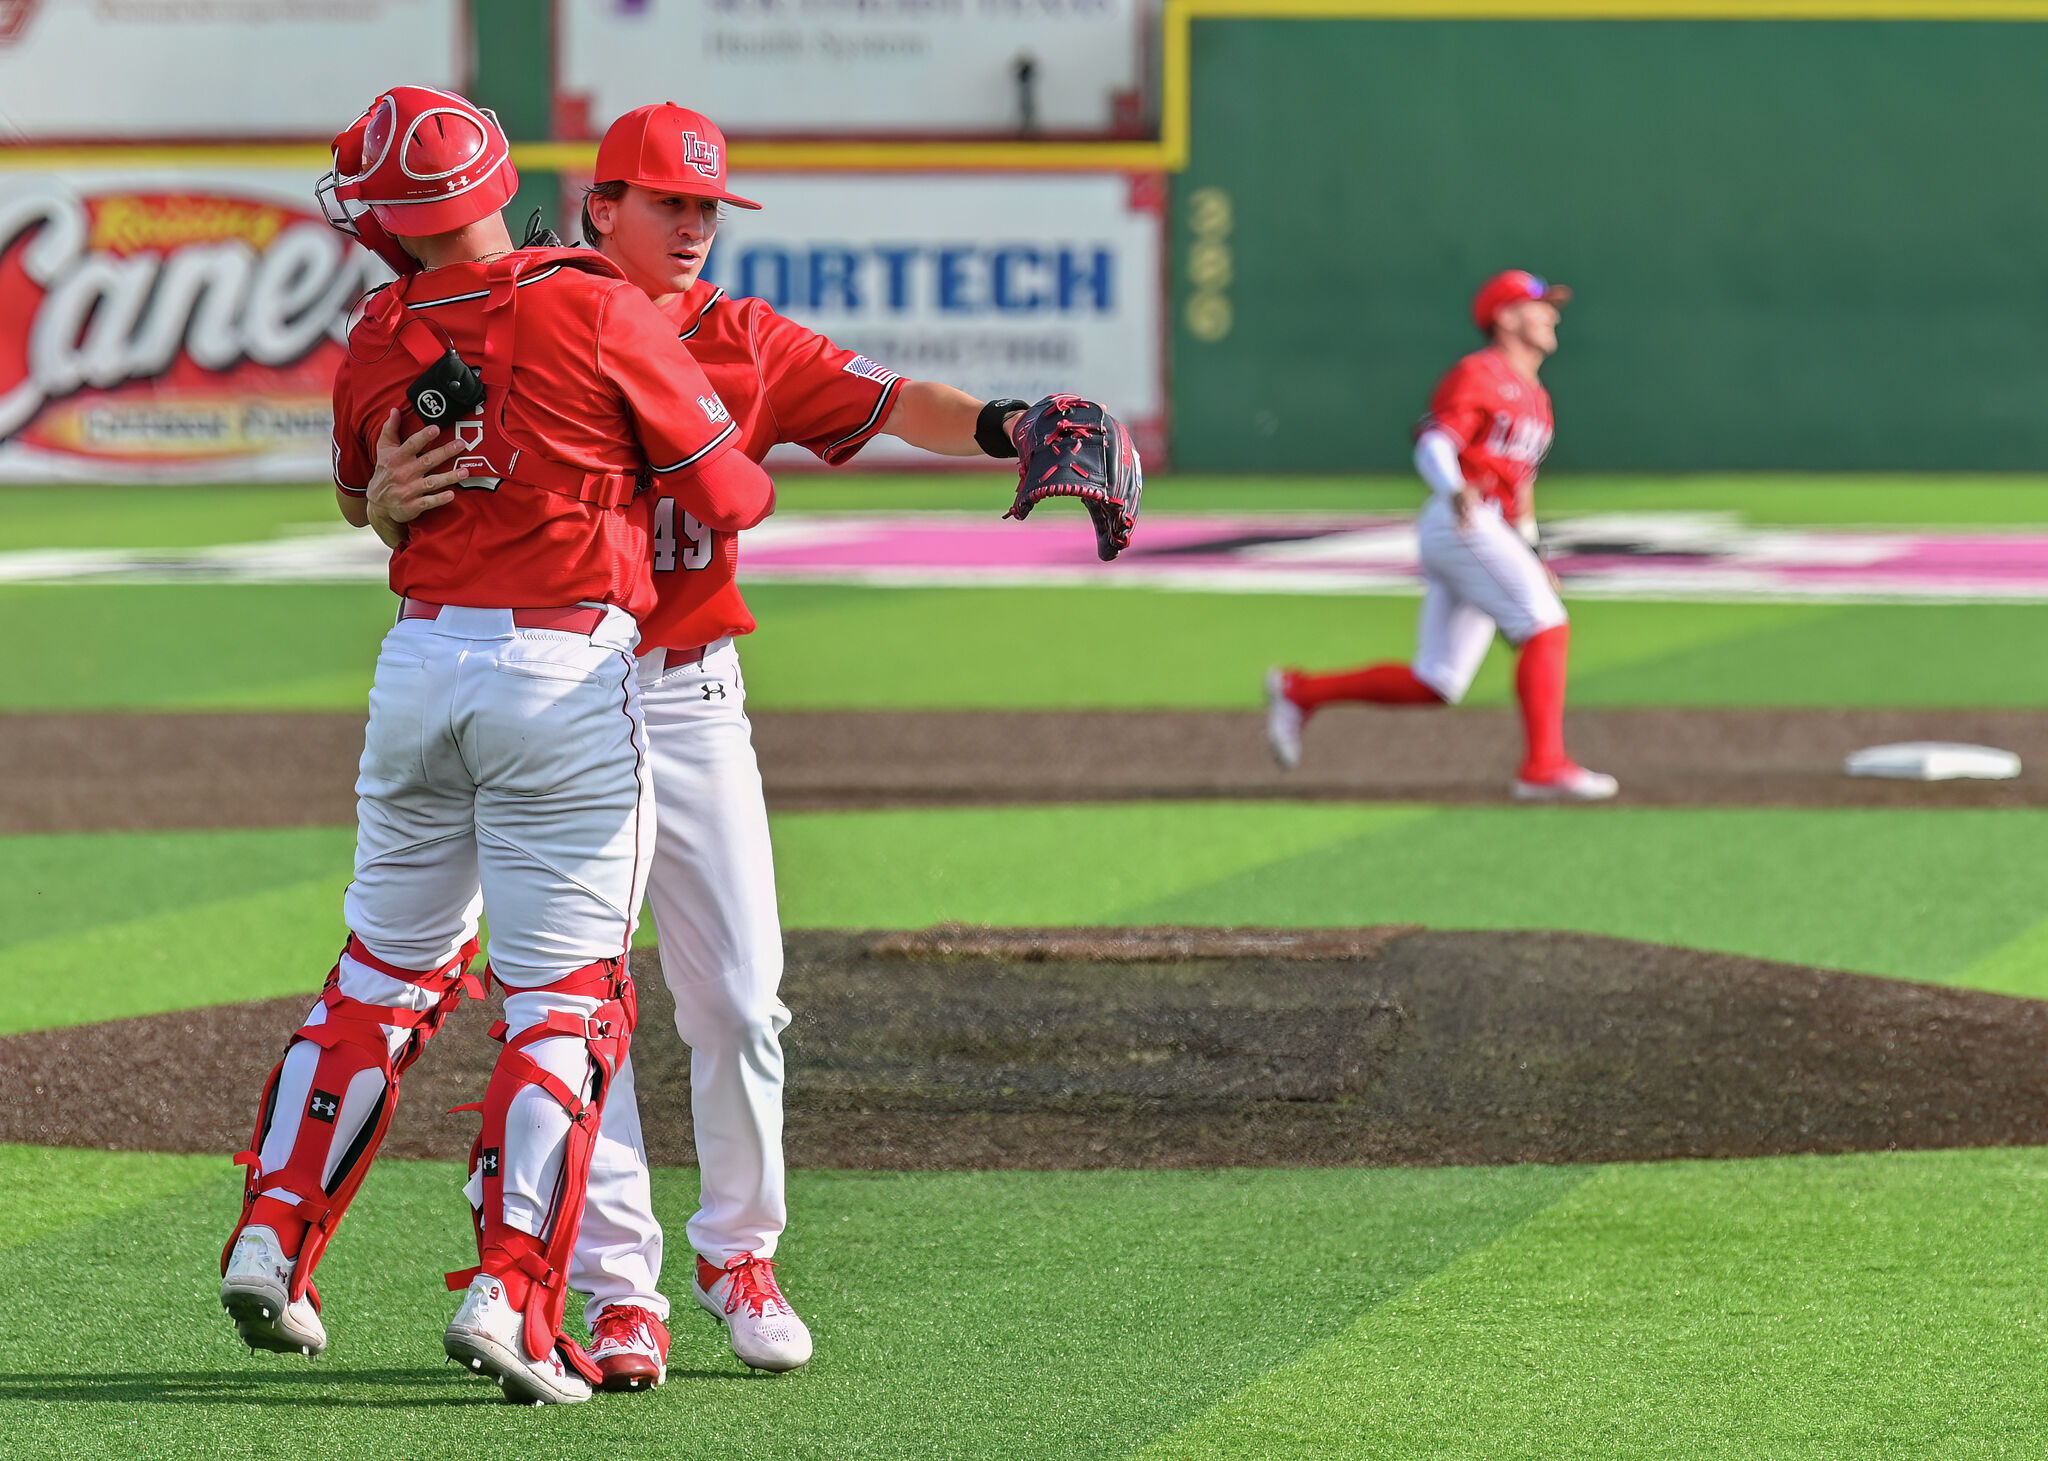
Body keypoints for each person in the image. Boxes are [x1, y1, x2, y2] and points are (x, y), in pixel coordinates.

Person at [366, 101, 1098, 1386]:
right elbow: (404, 496)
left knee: (741, 1000)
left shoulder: (740, 340)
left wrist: (1007, 424)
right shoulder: (515, 319)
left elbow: (883, 398)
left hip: (686, 694)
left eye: (709, 207)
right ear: (603, 208)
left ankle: (738, 1253)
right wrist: (372, 502)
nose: (695, 227)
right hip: (554, 694)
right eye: (670, 204)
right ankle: (617, 1290)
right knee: (582, 999)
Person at [217, 85, 775, 1406]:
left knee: (378, 979)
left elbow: (367, 491)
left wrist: (379, 502)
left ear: (393, 218)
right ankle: (515, 1296)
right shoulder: (594, 303)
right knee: (565, 1003)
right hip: (565, 671)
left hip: (419, 668)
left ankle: (274, 1236)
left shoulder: (376, 325)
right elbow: (735, 491)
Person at [1263, 270, 1617, 801]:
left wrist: (1533, 554)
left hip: (1488, 526)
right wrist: (1453, 488)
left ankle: (1299, 691)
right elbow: (1434, 444)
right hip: (1463, 522)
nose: (1552, 314)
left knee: (1438, 680)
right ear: (1505, 317)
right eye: (1539, 305)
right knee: (1546, 625)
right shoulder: (1478, 373)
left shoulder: (1537, 397)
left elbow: (1521, 490)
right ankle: (1543, 767)